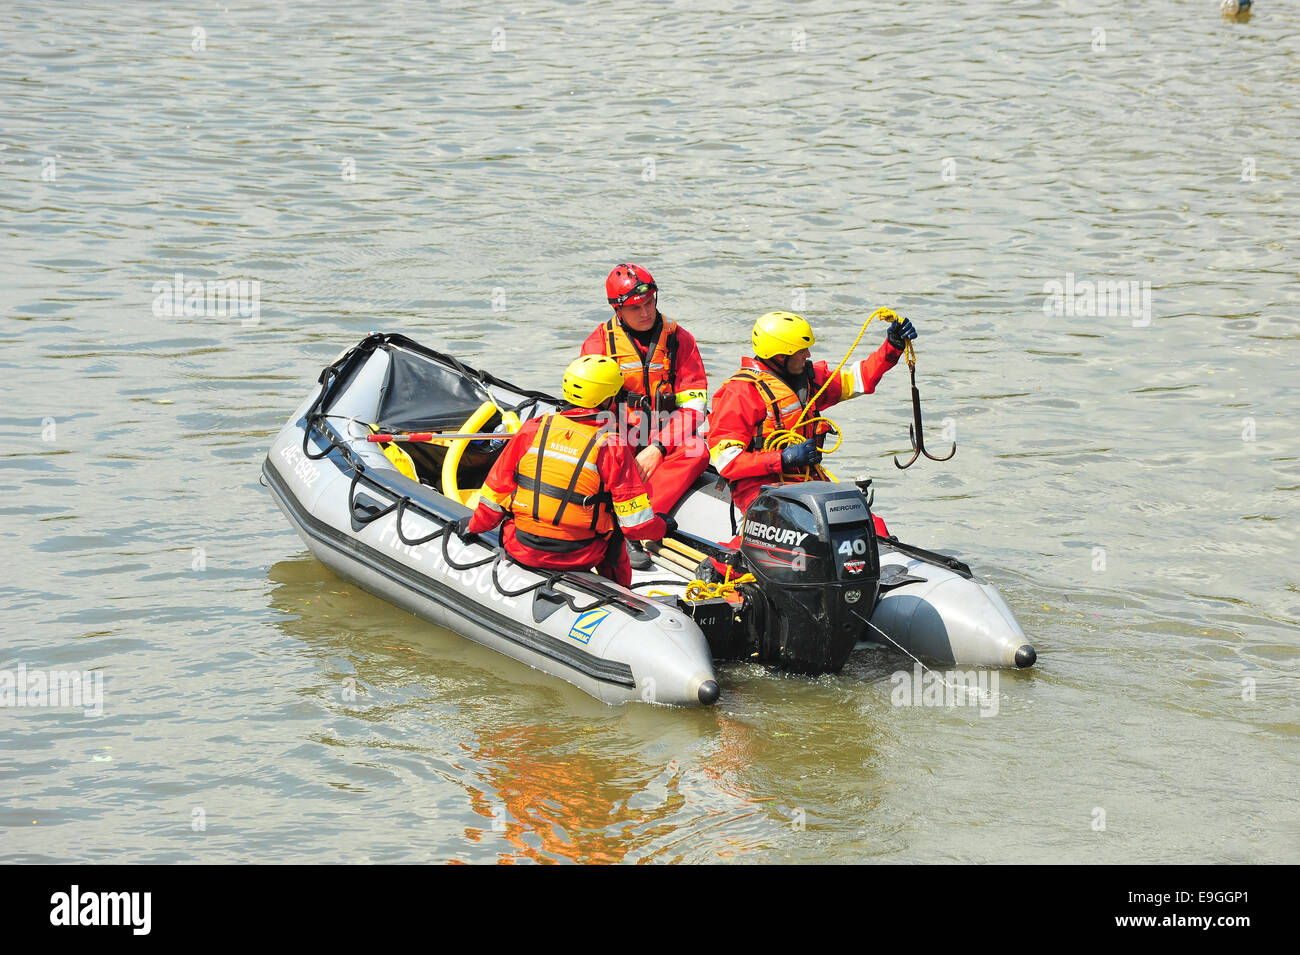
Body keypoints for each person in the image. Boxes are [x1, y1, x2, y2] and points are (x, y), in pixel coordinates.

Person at [459, 354, 675, 587]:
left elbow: (495, 494)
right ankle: (621, 592)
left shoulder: (534, 428)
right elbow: (635, 525)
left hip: (521, 547)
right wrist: (662, 527)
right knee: (614, 528)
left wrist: (473, 527)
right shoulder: (613, 445)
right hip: (579, 556)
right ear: (608, 400)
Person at [707, 310, 917, 534]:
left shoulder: (810, 379)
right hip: (759, 486)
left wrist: (892, 347)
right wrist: (783, 458)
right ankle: (726, 563)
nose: (808, 354)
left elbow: (859, 380)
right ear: (780, 356)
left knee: (872, 526)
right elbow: (727, 462)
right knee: (791, 531)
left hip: (807, 479)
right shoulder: (740, 393)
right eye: (801, 351)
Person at [579, 263, 710, 569]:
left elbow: (693, 407)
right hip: (616, 434)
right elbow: (589, 410)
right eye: (636, 307)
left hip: (660, 437)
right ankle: (621, 521)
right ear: (618, 310)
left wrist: (658, 448)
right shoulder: (598, 345)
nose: (646, 312)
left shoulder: (679, 341)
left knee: (697, 450)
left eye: (649, 303)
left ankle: (637, 522)